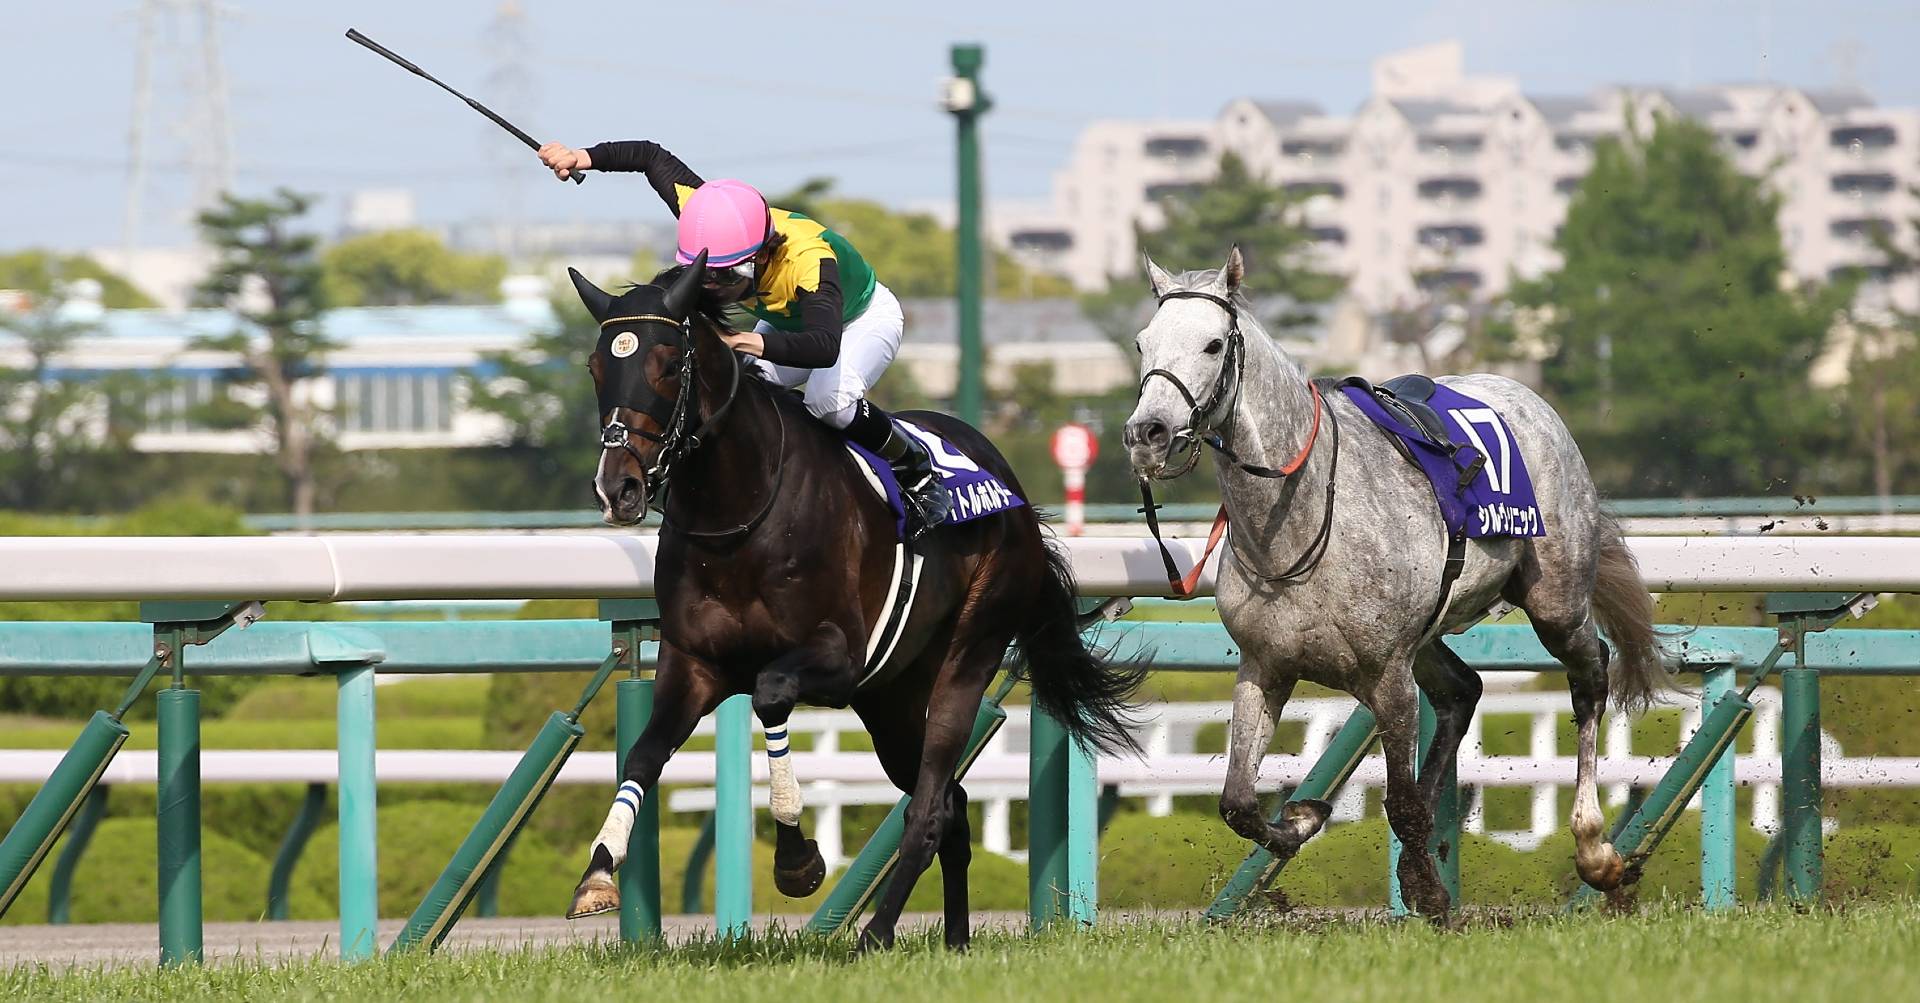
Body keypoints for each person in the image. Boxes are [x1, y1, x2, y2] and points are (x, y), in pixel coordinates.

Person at [537, 139, 953, 539]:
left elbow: (824, 348)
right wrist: (581, 157)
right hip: (791, 324)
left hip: (857, 322)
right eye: (706, 272)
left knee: (830, 402)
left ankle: (914, 468)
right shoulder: (707, 216)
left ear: (760, 255)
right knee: (733, 388)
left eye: (724, 275)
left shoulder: (809, 263)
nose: (711, 286)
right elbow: (649, 156)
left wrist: (742, 342)